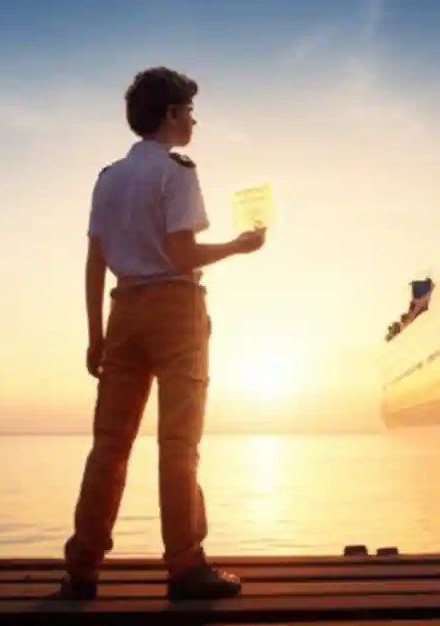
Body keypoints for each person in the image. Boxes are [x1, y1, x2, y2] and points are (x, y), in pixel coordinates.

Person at [57, 66, 266, 601]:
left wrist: (96, 335)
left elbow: (93, 262)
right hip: (176, 309)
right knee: (178, 443)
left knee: (109, 446)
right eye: (190, 110)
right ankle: (185, 565)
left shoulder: (108, 177)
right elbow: (182, 255)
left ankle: (82, 569)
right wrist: (238, 247)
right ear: (171, 115)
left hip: (123, 310)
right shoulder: (178, 173)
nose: (194, 119)